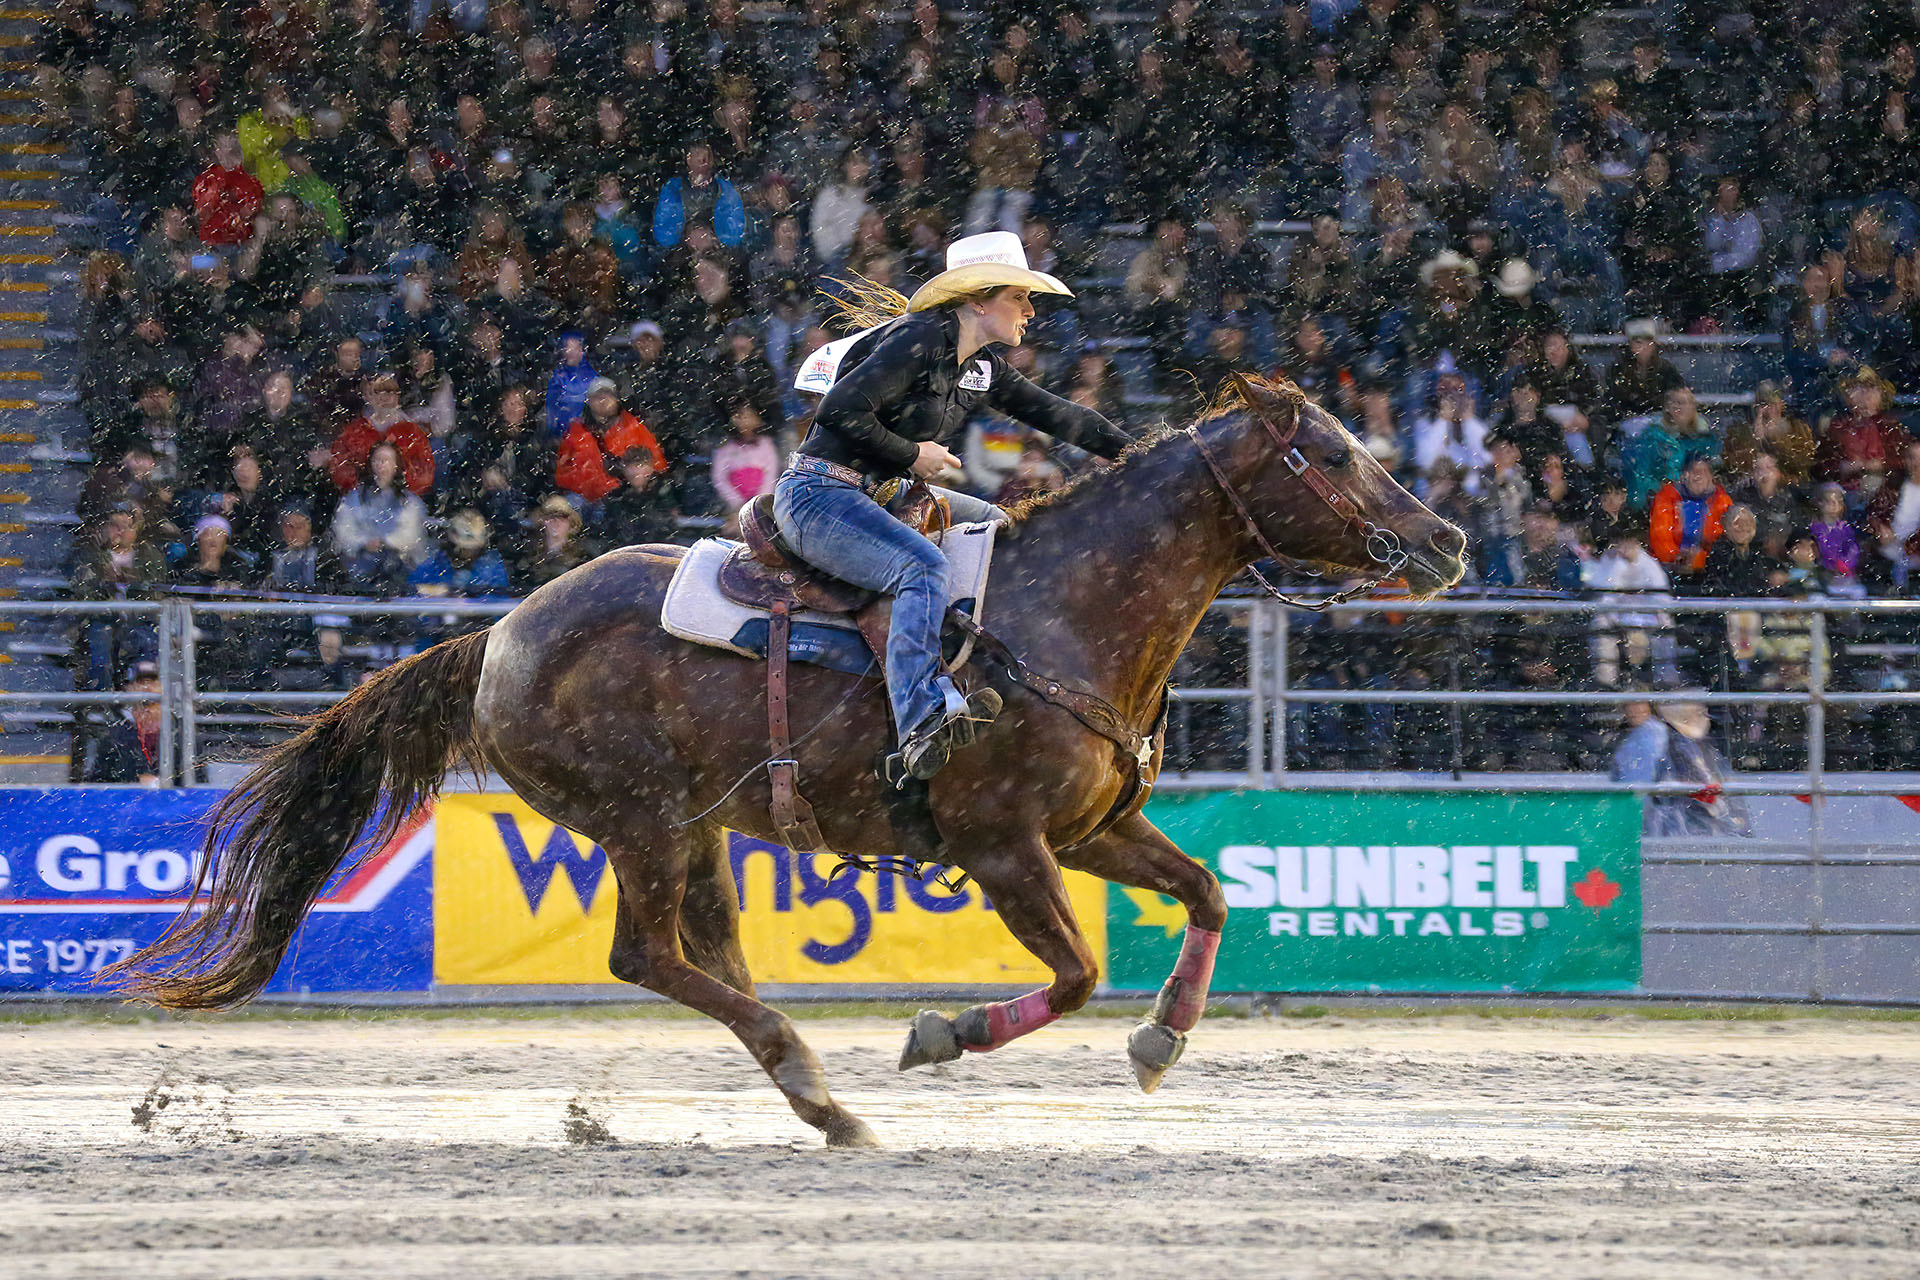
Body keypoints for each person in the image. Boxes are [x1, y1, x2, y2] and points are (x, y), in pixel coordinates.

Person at [775, 231, 1134, 781]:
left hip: (880, 496)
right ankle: (920, 721)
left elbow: (1063, 417)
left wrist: (1141, 455)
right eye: (1019, 298)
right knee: (920, 566)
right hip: (819, 496)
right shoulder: (917, 338)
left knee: (1004, 530)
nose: (1031, 312)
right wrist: (911, 453)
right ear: (976, 300)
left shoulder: (981, 365)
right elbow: (838, 413)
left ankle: (990, 678)